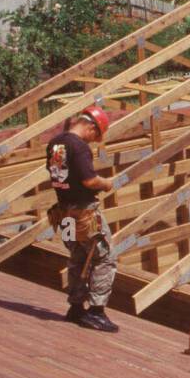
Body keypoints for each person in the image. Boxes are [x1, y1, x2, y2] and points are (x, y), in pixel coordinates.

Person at [47, 106, 119, 332]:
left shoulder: (56, 143)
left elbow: (59, 176)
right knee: (105, 257)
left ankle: (76, 307)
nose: (95, 141)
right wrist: (106, 183)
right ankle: (96, 311)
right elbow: (89, 181)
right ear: (91, 127)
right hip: (84, 214)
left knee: (77, 255)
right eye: (96, 136)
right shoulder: (79, 146)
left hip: (64, 212)